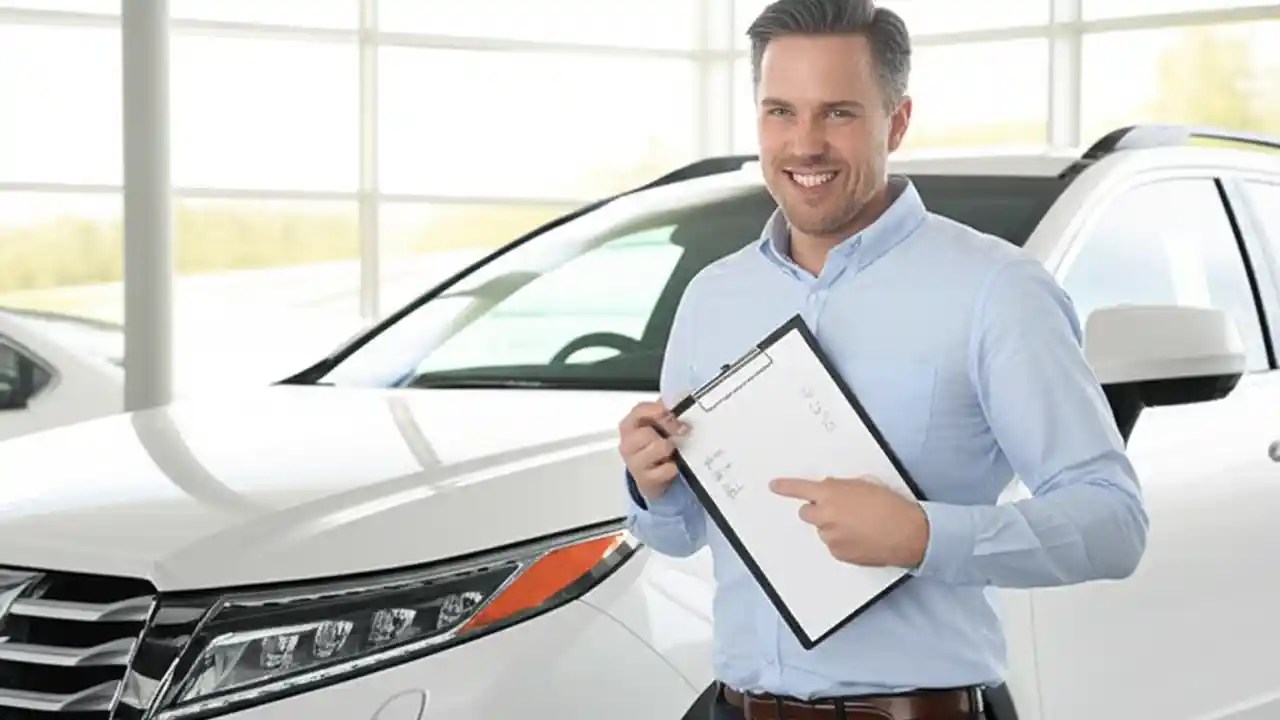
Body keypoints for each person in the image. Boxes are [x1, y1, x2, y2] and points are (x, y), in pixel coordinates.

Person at [616, 0, 1150, 718]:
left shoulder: (997, 290)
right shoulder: (714, 297)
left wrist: (924, 535)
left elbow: (1114, 525)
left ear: (896, 121)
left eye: (838, 113)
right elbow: (677, 536)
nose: (804, 145)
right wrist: (651, 483)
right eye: (781, 111)